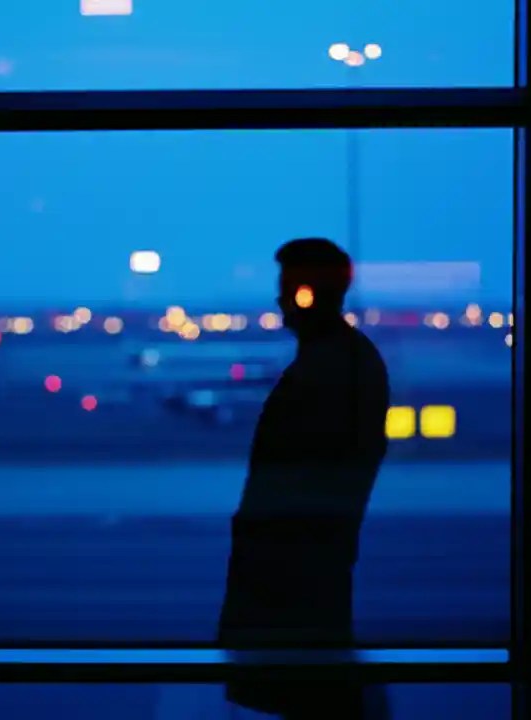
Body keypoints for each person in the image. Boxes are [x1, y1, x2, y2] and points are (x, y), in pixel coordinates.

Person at [217, 238, 392, 719]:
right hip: (301, 572)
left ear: (307, 295)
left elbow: (309, 476)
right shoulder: (342, 362)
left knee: (313, 699)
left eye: (290, 289)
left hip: (295, 578)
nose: (280, 301)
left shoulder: (330, 369)